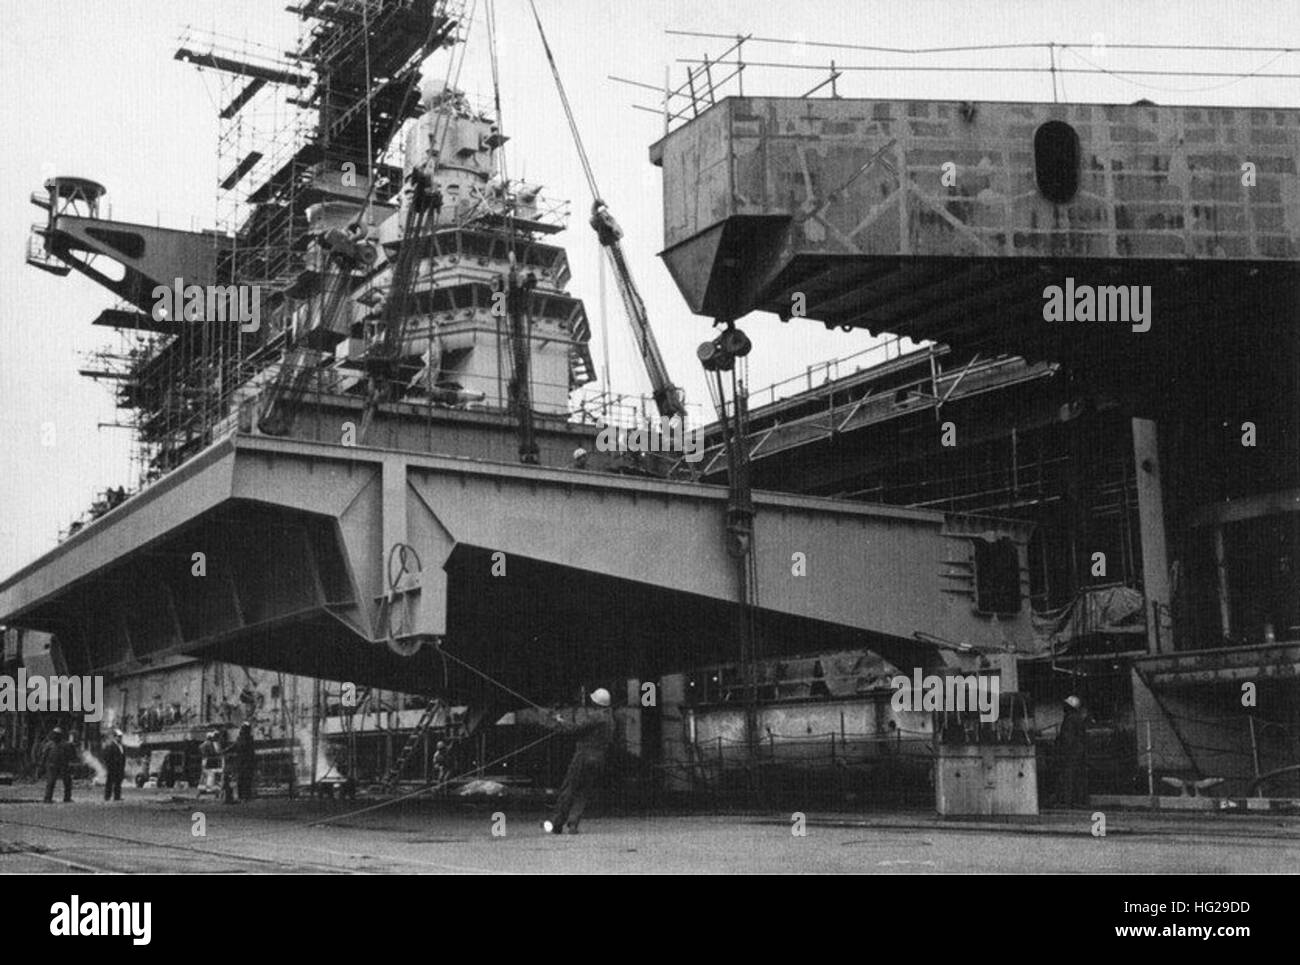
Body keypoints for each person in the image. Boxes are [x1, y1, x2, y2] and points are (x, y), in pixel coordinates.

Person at [541, 688, 615, 835]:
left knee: (569, 789)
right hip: (599, 758)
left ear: (596, 703)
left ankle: (557, 823)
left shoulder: (596, 716)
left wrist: (558, 720)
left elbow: (574, 730)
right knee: (584, 792)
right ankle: (573, 824)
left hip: (584, 755)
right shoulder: (610, 719)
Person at [1053, 695, 1089, 808]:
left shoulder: (1070, 719)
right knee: (1078, 776)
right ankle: (1079, 801)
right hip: (1078, 752)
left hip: (1071, 753)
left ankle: (1068, 801)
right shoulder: (1078, 718)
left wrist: (1061, 749)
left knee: (1068, 777)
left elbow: (1068, 738)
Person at [42, 727, 77, 803]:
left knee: (67, 782)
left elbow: (71, 755)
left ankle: (67, 798)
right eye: (55, 734)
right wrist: (42, 765)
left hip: (62, 766)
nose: (56, 736)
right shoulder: (49, 745)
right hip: (52, 766)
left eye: (57, 735)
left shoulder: (65, 744)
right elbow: (44, 755)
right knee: (51, 782)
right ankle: (48, 798)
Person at [226, 722, 256, 803]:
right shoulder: (249, 739)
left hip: (242, 761)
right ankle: (245, 796)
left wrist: (225, 750)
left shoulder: (243, 739)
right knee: (245, 779)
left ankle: (243, 796)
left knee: (242, 779)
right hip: (246, 762)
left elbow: (235, 746)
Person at [197, 730, 223, 798]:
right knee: (212, 776)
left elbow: (200, 748)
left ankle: (200, 791)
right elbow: (214, 752)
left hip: (204, 760)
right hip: (210, 761)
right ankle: (211, 790)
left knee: (204, 776)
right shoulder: (210, 744)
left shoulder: (203, 744)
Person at [102, 729, 126, 802]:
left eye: (120, 737)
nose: (120, 738)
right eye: (118, 737)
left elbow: (123, 757)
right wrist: (109, 766)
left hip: (119, 768)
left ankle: (117, 796)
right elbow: (107, 757)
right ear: (115, 737)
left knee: (118, 782)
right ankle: (107, 797)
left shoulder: (121, 746)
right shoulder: (111, 746)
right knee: (110, 782)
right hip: (112, 767)